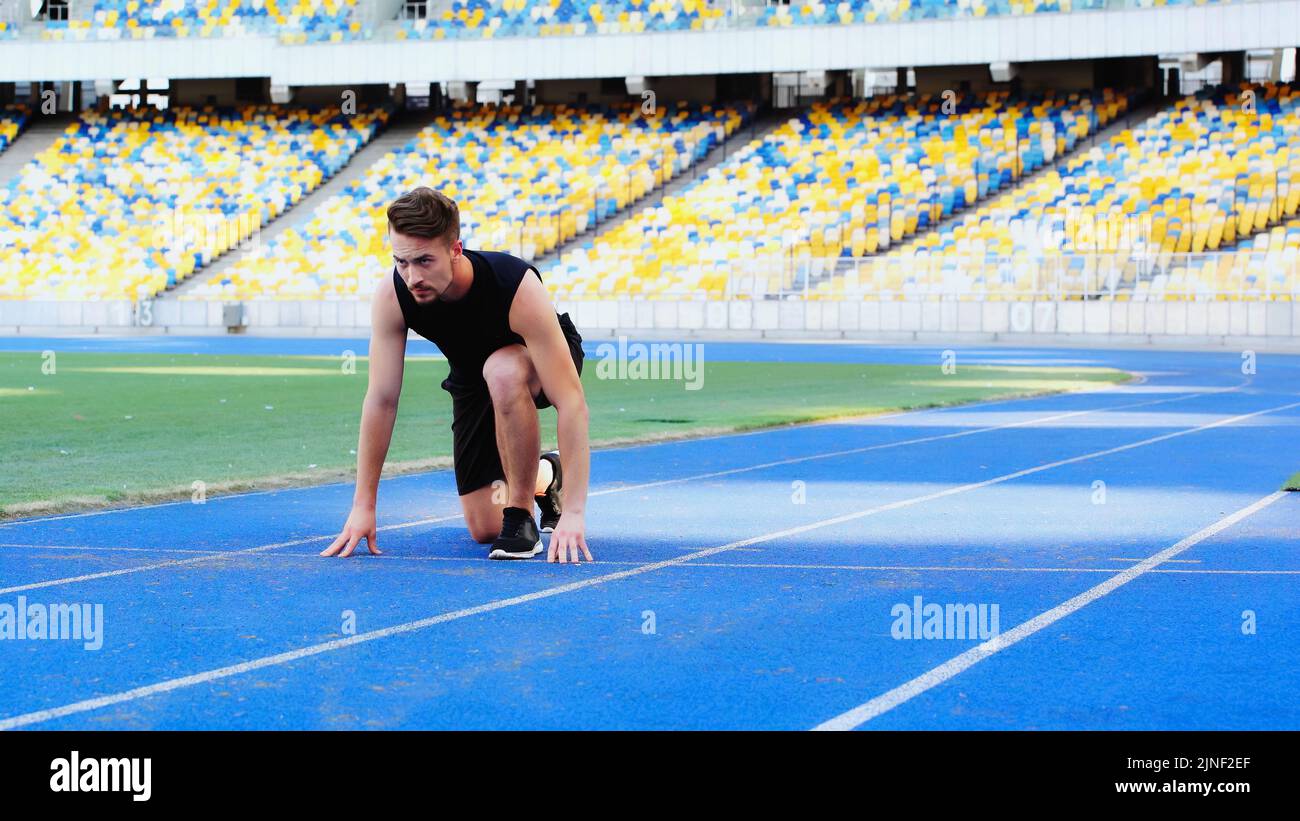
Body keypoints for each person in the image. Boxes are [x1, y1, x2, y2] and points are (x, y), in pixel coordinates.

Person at [323, 187, 592, 563]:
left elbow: (571, 401)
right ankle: (545, 477)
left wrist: (576, 514)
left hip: (539, 361)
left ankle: (520, 519)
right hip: (472, 376)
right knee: (483, 526)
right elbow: (382, 399)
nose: (412, 275)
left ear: (455, 249)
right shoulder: (393, 295)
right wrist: (363, 505)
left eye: (424, 261)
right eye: (401, 262)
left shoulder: (514, 285)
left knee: (501, 369)